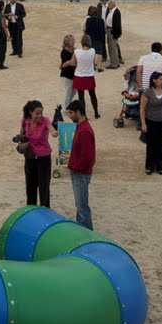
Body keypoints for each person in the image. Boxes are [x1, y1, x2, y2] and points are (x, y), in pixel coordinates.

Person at [66, 98, 96, 229]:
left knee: (82, 207)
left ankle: (87, 234)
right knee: (80, 205)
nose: (70, 116)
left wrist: (74, 167)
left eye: (71, 113)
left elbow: (87, 157)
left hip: (81, 173)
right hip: (80, 172)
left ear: (78, 112)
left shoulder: (84, 131)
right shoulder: (83, 127)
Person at [18, 100, 53, 208]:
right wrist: (21, 144)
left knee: (44, 186)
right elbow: (21, 136)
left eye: (41, 113)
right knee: (30, 185)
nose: (39, 116)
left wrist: (54, 132)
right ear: (30, 112)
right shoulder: (25, 120)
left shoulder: (45, 120)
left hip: (44, 157)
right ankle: (31, 208)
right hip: (30, 157)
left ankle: (45, 209)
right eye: (37, 113)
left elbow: (51, 129)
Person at [141, 72, 162, 176]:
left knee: (161, 144)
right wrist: (143, 124)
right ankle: (149, 166)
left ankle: (159, 166)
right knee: (151, 144)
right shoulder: (147, 92)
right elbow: (142, 109)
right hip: (151, 121)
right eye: (160, 79)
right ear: (154, 80)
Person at [71, 34, 100, 119]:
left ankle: (84, 115)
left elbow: (72, 63)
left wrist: (78, 63)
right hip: (89, 75)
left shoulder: (77, 52)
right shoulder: (92, 51)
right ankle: (96, 113)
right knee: (92, 95)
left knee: (81, 96)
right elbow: (93, 62)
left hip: (79, 76)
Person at [101, 0, 124, 69]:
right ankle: (116, 62)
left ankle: (113, 63)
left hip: (112, 31)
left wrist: (114, 34)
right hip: (109, 30)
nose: (108, 6)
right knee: (112, 47)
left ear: (112, 4)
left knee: (112, 48)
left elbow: (117, 24)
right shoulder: (112, 11)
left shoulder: (116, 12)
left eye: (109, 4)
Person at [58, 33, 78, 110]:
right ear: (67, 42)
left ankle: (69, 104)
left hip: (74, 74)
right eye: (71, 40)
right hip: (67, 74)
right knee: (68, 91)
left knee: (74, 91)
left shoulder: (75, 50)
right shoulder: (64, 52)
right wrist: (71, 62)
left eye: (73, 40)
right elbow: (63, 65)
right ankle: (66, 108)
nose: (73, 41)